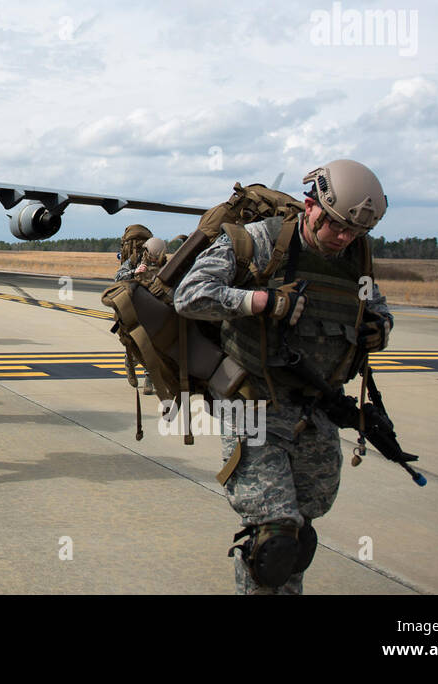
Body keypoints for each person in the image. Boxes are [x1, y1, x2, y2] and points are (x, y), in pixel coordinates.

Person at [173, 160, 392, 594]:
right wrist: (259, 301)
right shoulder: (259, 243)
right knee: (272, 537)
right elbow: (190, 295)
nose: (344, 238)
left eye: (354, 231)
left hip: (317, 409)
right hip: (252, 404)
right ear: (311, 207)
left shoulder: (354, 259)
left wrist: (379, 328)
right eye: (337, 227)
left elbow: (379, 311)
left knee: (300, 535)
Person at [116, 236, 169, 394]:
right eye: (152, 255)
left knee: (154, 346)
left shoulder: (166, 265)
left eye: (157, 256)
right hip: (137, 307)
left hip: (156, 308)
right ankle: (130, 362)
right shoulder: (135, 260)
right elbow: (117, 277)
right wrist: (134, 272)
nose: (154, 259)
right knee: (137, 344)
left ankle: (150, 379)